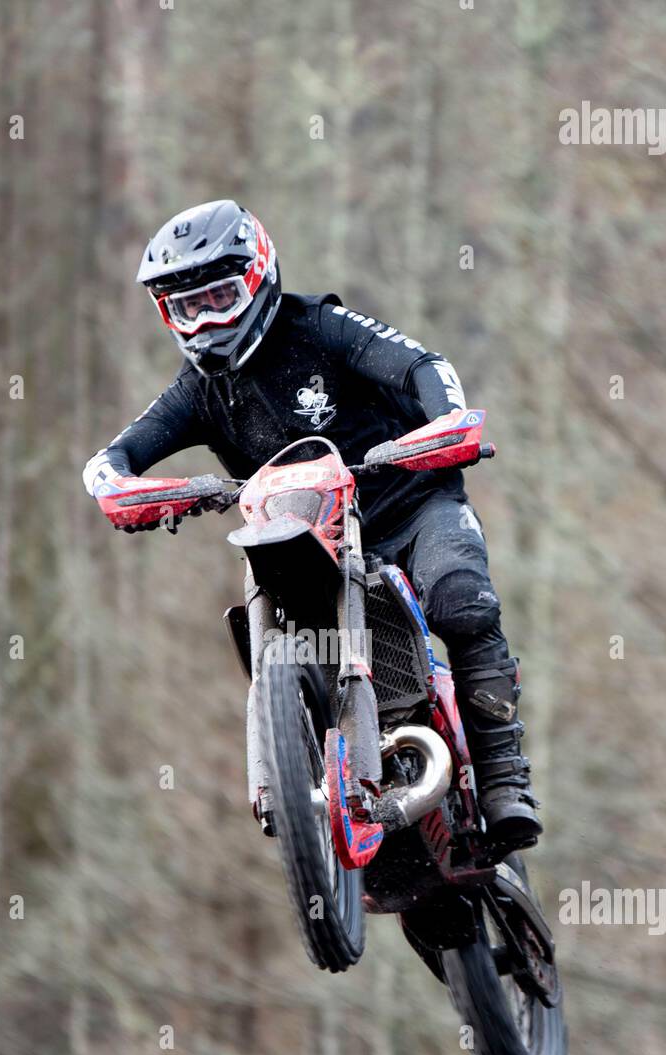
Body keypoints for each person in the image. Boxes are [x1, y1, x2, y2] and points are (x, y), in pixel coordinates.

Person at [82, 200, 541, 849]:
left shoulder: (318, 327)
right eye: (187, 307)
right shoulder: (197, 392)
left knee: (462, 601)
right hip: (308, 542)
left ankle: (503, 781)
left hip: (411, 507)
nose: (206, 320)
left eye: (218, 296)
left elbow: (422, 366)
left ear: (259, 272)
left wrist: (447, 425)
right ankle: (295, 779)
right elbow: (111, 460)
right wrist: (127, 492)